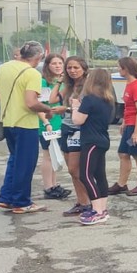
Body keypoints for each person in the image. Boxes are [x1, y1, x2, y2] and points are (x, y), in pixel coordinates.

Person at [0, 41, 55, 214]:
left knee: (14, 161)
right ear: (39, 56)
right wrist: (48, 109)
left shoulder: (4, 68)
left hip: (8, 122)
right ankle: (21, 202)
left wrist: (11, 103)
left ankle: (6, 198)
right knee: (25, 164)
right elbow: (31, 103)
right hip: (25, 124)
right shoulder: (32, 74)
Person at [68, 68, 116, 226]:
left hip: (91, 141)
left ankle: (97, 210)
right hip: (103, 139)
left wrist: (75, 106)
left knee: (86, 175)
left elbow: (77, 120)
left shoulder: (89, 99)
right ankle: (102, 208)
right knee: (99, 174)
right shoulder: (108, 100)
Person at [109, 57, 137, 197]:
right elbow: (129, 107)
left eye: (119, 67)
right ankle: (121, 184)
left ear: (126, 69)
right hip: (130, 124)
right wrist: (124, 123)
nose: (118, 69)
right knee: (123, 153)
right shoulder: (129, 84)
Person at [54, 56, 91, 217]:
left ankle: (88, 202)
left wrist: (67, 109)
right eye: (69, 68)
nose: (72, 71)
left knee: (75, 169)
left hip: (79, 129)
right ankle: (81, 201)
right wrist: (59, 81)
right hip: (66, 127)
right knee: (71, 171)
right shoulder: (69, 85)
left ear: (83, 68)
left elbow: (87, 108)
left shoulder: (88, 86)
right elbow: (51, 99)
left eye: (76, 67)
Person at [37, 53, 72, 201]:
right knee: (47, 155)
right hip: (47, 123)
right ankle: (48, 187)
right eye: (54, 63)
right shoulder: (43, 82)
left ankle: (54, 184)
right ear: (47, 66)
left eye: (60, 63)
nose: (57, 66)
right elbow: (40, 106)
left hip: (59, 122)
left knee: (55, 154)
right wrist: (46, 123)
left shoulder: (63, 82)